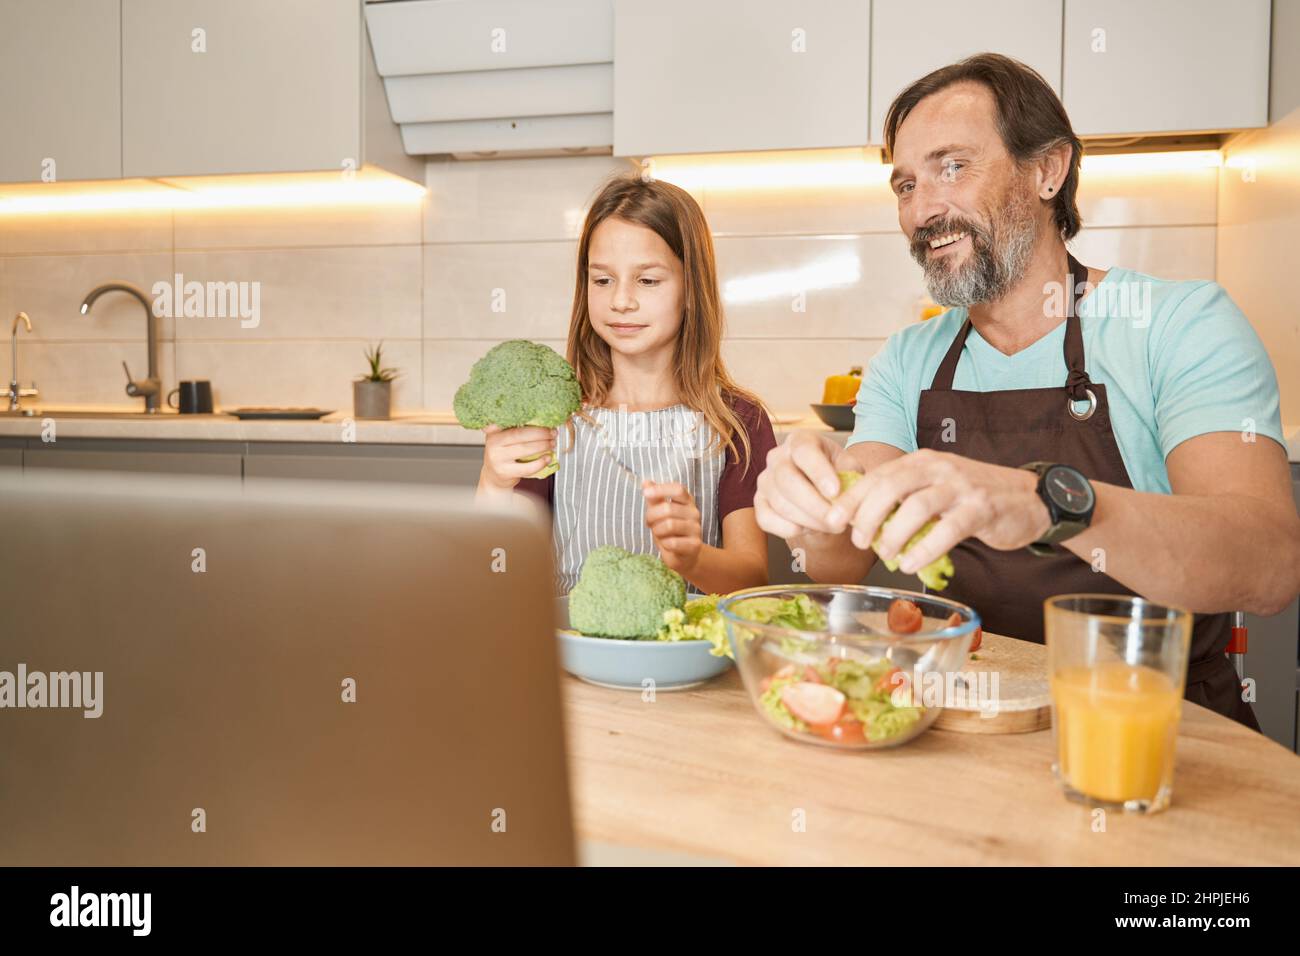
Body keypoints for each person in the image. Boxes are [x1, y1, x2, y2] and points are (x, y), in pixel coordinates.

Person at [753, 54, 1300, 729]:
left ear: (1047, 170)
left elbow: (1271, 564)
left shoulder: (1179, 325)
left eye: (953, 167)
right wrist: (809, 502)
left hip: (1163, 731)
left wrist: (1051, 502)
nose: (923, 209)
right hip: (974, 724)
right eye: (905, 184)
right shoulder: (908, 359)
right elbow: (840, 555)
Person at [477, 174, 775, 596]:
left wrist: (693, 557)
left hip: (683, 655)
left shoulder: (740, 422)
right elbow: (497, 567)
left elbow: (752, 577)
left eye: (647, 280)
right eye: (602, 280)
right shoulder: (553, 417)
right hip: (565, 650)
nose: (621, 300)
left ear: (692, 288)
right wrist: (493, 482)